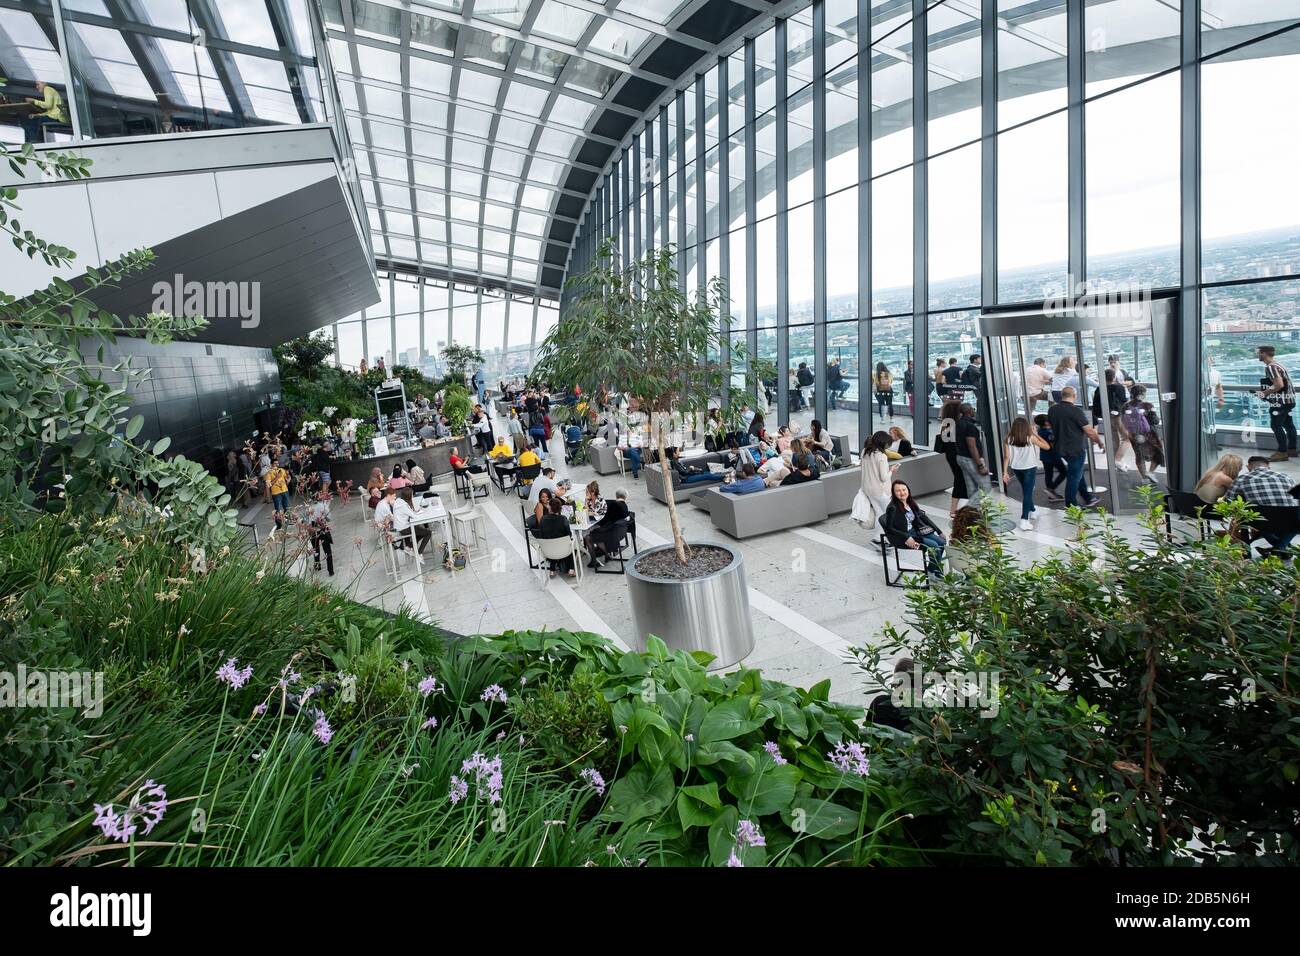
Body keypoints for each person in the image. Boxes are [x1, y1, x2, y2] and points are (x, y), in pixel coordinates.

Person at [1227, 456, 1299, 552]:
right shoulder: (1286, 477)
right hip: (1292, 520)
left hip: (1262, 522)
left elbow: (1228, 501)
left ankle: (1279, 547)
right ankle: (1280, 547)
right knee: (1294, 520)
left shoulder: (1241, 479)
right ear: (1268, 466)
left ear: (1248, 467)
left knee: (1256, 518)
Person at [1047, 386, 1104, 508]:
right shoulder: (1076, 411)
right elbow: (1089, 431)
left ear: (1062, 395)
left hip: (1060, 448)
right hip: (1075, 449)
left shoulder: (1052, 410)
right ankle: (1071, 504)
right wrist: (1099, 442)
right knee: (1074, 476)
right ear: (1074, 396)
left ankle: (1088, 498)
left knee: (1077, 473)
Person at [882, 479, 946, 576]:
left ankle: (932, 568)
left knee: (941, 542)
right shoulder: (892, 507)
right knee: (934, 545)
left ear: (908, 490)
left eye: (904, 489)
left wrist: (939, 531)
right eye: (898, 491)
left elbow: (923, 517)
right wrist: (907, 537)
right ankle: (936, 571)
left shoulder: (910, 502)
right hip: (904, 536)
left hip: (915, 531)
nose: (902, 492)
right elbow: (889, 528)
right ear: (894, 493)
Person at [1002, 416, 1050, 530]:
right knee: (1027, 493)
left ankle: (1033, 510)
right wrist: (1036, 434)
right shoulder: (1030, 438)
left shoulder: (1008, 439)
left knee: (1026, 490)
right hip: (1029, 468)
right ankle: (1024, 520)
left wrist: (1005, 472)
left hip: (1016, 468)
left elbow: (1006, 457)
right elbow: (1047, 446)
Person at [1256, 345, 1297, 461]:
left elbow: (1279, 385)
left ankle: (1282, 452)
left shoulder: (1271, 367)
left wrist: (1264, 393)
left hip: (1280, 402)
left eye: (1259, 353)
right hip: (1289, 400)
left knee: (1275, 425)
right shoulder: (1278, 364)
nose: (1257, 355)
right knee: (1289, 425)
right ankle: (1292, 450)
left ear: (1264, 353)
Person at [1121, 385, 1165, 485]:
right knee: (1158, 453)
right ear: (1141, 395)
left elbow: (1123, 421)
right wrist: (1153, 413)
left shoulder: (1125, 406)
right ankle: (1150, 472)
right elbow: (1155, 421)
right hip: (1150, 434)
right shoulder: (1148, 405)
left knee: (1139, 455)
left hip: (1134, 434)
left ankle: (1144, 478)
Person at [933, 399, 968, 518]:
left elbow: (947, 442)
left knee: (959, 480)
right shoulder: (959, 425)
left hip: (951, 456)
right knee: (961, 481)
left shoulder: (947, 423)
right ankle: (956, 509)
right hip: (959, 457)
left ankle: (955, 509)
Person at [1091, 368, 1131, 470]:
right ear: (1114, 377)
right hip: (1117, 416)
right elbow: (1123, 402)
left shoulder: (1100, 388)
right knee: (1127, 438)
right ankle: (1117, 460)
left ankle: (1116, 464)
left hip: (1106, 416)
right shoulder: (1119, 387)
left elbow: (1095, 403)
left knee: (1115, 439)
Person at [954, 403, 993, 507]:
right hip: (971, 460)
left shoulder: (958, 424)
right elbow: (972, 446)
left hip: (961, 458)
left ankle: (973, 516)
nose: (974, 410)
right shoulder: (970, 426)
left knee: (972, 489)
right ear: (969, 411)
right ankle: (966, 510)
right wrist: (980, 465)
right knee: (986, 488)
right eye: (973, 409)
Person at [375, 486, 430, 554]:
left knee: (416, 527)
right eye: (394, 496)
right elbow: (394, 519)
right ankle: (413, 550)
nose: (395, 498)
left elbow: (394, 517)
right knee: (420, 529)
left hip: (387, 525)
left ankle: (409, 546)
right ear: (389, 495)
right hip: (385, 529)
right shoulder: (384, 506)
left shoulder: (383, 503)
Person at [586, 488, 631, 566]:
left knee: (588, 537)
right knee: (596, 531)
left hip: (611, 534)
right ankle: (606, 554)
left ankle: (598, 558)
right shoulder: (625, 506)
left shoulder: (614, 505)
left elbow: (607, 519)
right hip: (619, 532)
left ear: (616, 496)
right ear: (625, 497)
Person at [534, 496, 576, 577]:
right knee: (570, 544)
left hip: (548, 551)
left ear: (550, 508)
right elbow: (569, 534)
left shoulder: (543, 519)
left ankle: (552, 570)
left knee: (552, 543)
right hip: (564, 551)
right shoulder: (563, 519)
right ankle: (571, 569)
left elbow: (542, 534)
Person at [860, 431, 894, 519]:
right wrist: (891, 471)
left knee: (879, 516)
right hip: (881, 492)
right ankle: (887, 532)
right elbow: (883, 478)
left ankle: (879, 533)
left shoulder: (864, 452)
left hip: (868, 490)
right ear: (883, 443)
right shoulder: (882, 456)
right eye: (888, 443)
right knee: (888, 516)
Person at [1034, 413, 1066, 501]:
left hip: (1044, 456)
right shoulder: (1049, 432)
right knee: (1064, 472)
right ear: (1045, 422)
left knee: (1049, 474)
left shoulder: (1040, 431)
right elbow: (1053, 443)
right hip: (1053, 456)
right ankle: (1051, 489)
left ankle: (1051, 496)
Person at [307, 491, 334, 576]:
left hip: (313, 528)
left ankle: (317, 565)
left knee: (315, 548)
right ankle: (331, 570)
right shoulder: (323, 505)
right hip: (323, 528)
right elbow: (329, 518)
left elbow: (307, 521)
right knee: (327, 550)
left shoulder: (309, 507)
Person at [266, 460, 291, 530]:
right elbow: (268, 485)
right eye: (275, 463)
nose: (277, 465)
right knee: (278, 509)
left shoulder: (282, 470)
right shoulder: (269, 473)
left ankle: (288, 522)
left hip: (285, 491)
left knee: (287, 507)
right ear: (271, 464)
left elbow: (287, 477)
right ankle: (279, 525)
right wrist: (277, 477)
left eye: (278, 463)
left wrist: (288, 478)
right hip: (276, 493)